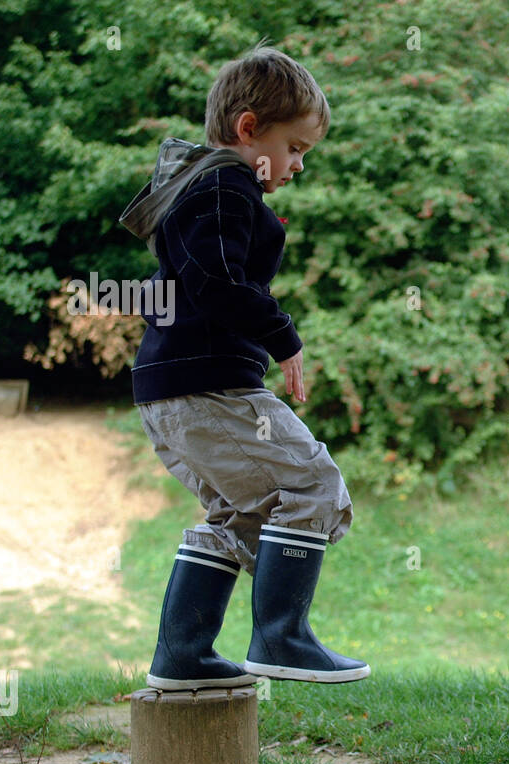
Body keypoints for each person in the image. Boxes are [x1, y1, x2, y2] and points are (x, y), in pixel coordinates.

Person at [119, 42, 368, 689]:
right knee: (311, 484)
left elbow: (207, 278)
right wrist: (283, 336)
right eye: (295, 149)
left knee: (240, 514)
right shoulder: (226, 183)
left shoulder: (205, 187)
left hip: (174, 390)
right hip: (206, 388)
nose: (298, 166)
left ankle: (184, 656)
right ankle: (283, 638)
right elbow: (216, 280)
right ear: (249, 129)